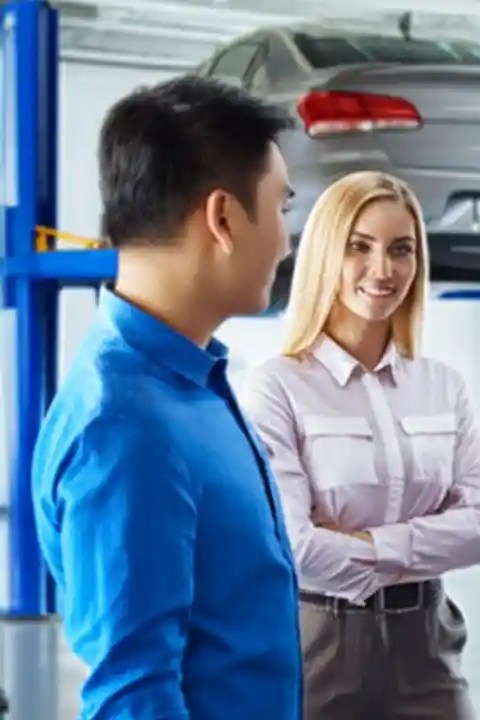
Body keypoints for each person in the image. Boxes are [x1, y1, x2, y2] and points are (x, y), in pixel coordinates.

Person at [31, 76, 302, 718]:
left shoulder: (192, 384)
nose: (289, 241)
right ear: (223, 219)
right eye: (283, 209)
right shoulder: (124, 428)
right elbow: (134, 695)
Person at [240, 170, 480, 719]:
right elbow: (296, 547)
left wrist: (363, 541)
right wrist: (424, 541)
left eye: (400, 250)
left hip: (428, 641)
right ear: (324, 255)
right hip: (320, 643)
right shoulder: (277, 386)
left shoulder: (442, 385)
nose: (383, 270)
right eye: (359, 247)